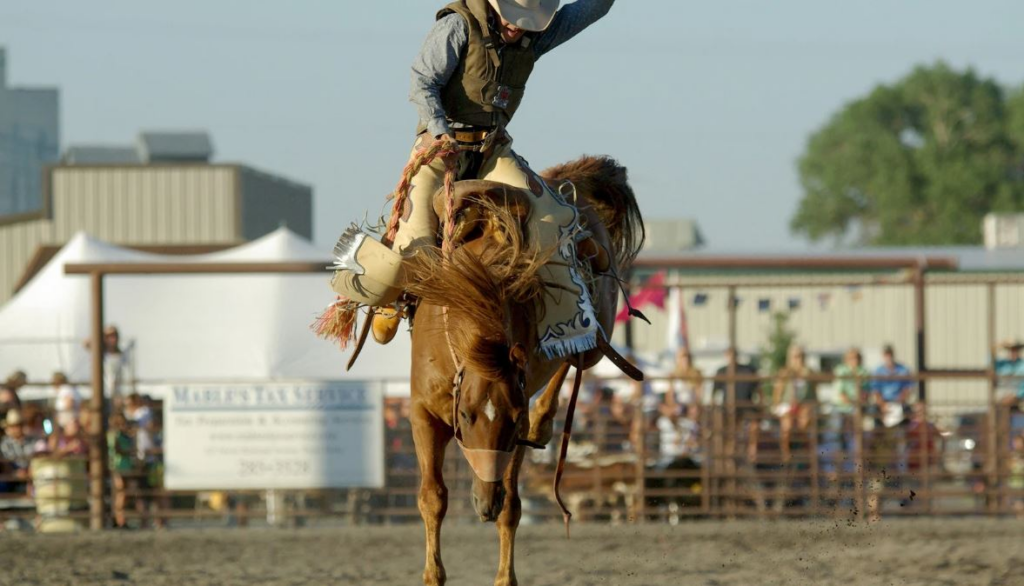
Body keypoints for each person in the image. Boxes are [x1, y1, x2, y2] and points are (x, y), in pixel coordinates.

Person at [328, 0, 616, 360]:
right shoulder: (458, 26)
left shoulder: (536, 36)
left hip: (493, 150)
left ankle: (559, 320)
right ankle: (393, 297)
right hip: (440, 149)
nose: (517, 28)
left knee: (551, 216)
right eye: (513, 18)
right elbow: (422, 82)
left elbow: (595, 8)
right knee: (413, 239)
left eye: (528, 21)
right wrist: (440, 130)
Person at [712, 348, 761, 463]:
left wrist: (760, 406)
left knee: (754, 425)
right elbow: (715, 393)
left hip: (746, 406)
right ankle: (726, 456)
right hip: (728, 408)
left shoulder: (748, 370)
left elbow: (758, 390)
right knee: (727, 430)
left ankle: (752, 452)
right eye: (729, 355)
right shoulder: (722, 372)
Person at [825, 347, 869, 473]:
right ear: (846, 360)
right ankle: (838, 467)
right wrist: (853, 404)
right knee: (837, 435)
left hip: (856, 407)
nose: (854, 361)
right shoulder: (841, 371)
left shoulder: (863, 372)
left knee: (858, 435)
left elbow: (866, 391)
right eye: (851, 358)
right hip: (841, 407)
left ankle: (858, 467)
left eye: (857, 358)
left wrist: (859, 402)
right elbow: (841, 393)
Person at [771, 344, 817, 463]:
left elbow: (814, 391)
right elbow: (778, 391)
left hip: (804, 404)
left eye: (801, 356)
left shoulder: (809, 372)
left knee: (805, 420)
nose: (799, 359)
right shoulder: (785, 372)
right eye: (796, 357)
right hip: (787, 403)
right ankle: (786, 454)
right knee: (787, 425)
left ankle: (803, 449)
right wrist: (777, 405)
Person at [0, 410, 34, 494]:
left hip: (30, 476)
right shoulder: (4, 443)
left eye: (19, 425)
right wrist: (15, 473)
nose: (17, 428)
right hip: (12, 477)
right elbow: (6, 463)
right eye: (13, 426)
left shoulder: (31, 441)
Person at [670, 348, 704, 419]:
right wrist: (673, 406)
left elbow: (699, 393)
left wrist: (694, 405)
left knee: (694, 413)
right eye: (683, 358)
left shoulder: (696, 374)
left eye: (687, 358)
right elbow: (670, 394)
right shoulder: (673, 374)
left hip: (691, 404)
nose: (685, 361)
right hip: (678, 404)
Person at [994, 341, 1024, 409]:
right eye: (1011, 351)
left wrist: (1017, 395)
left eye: (1015, 350)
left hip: (1018, 399)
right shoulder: (1002, 364)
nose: (1013, 353)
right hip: (1002, 397)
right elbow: (989, 362)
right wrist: (998, 347)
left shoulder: (1022, 365)